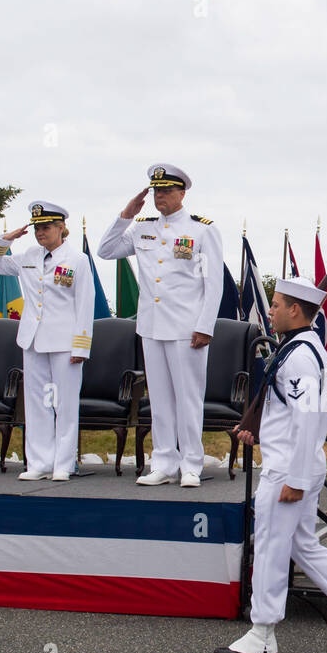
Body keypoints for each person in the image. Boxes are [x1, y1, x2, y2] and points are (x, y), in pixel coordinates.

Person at [213, 277, 327, 653]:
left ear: (295, 310)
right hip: (294, 462)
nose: (270, 310)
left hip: (289, 469)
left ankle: (262, 634)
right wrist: (258, 431)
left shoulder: (298, 356)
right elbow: (287, 411)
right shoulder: (299, 348)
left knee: (272, 547)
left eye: (276, 304)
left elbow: (311, 417)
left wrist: (293, 477)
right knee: (302, 545)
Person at [97, 164, 222, 488]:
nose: (160, 196)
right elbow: (106, 250)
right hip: (151, 327)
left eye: (166, 190)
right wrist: (126, 215)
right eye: (156, 191)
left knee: (188, 398)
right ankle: (164, 462)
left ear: (182, 193)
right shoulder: (141, 228)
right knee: (161, 400)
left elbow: (214, 284)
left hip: (186, 328)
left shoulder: (202, 230)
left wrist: (205, 325)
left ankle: (191, 463)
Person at [0, 202, 94, 482]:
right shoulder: (28, 255)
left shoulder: (77, 259)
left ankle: (63, 463)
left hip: (64, 342)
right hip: (33, 340)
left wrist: (81, 346)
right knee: (37, 403)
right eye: (36, 228)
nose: (40, 233)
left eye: (46, 227)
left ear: (61, 228)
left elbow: (85, 304)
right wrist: (4, 240)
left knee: (64, 404)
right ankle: (39, 462)